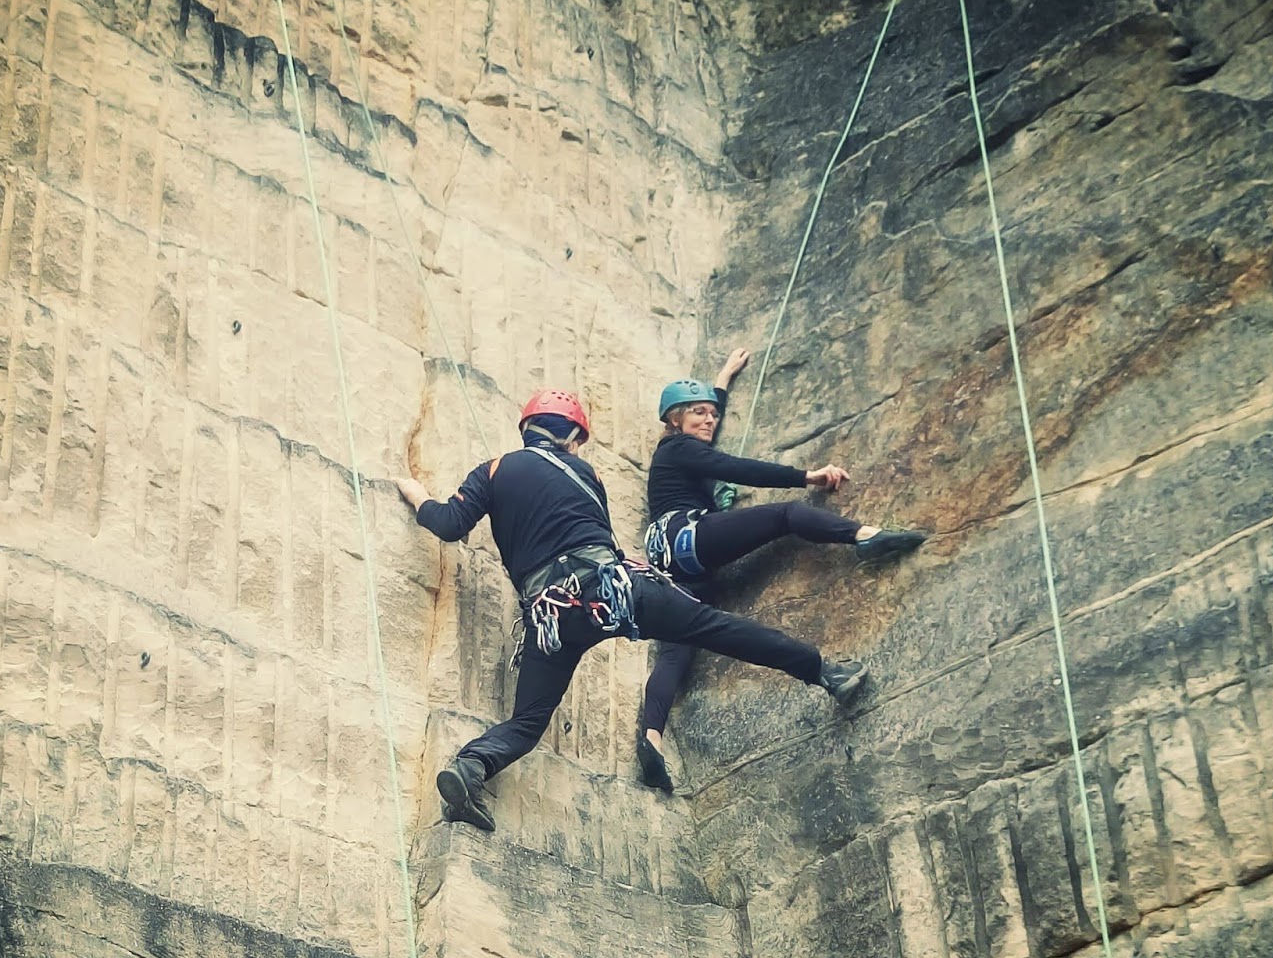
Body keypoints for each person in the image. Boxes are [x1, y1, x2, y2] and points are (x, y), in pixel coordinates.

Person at [394, 388, 869, 831]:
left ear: (530, 428)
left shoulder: (493, 471)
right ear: (573, 436)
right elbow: (590, 533)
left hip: (552, 615)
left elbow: (450, 524)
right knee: (716, 628)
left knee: (528, 720)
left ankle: (471, 766)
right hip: (614, 589)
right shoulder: (588, 474)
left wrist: (416, 494)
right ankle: (826, 672)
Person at [636, 348, 925, 792]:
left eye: (712, 414)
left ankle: (651, 739)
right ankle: (864, 536)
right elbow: (734, 467)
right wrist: (807, 475)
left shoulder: (680, 445)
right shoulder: (678, 448)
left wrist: (725, 378)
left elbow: (710, 414)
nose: (709, 420)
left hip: (672, 563)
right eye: (698, 414)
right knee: (786, 515)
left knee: (677, 651)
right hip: (688, 536)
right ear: (673, 419)